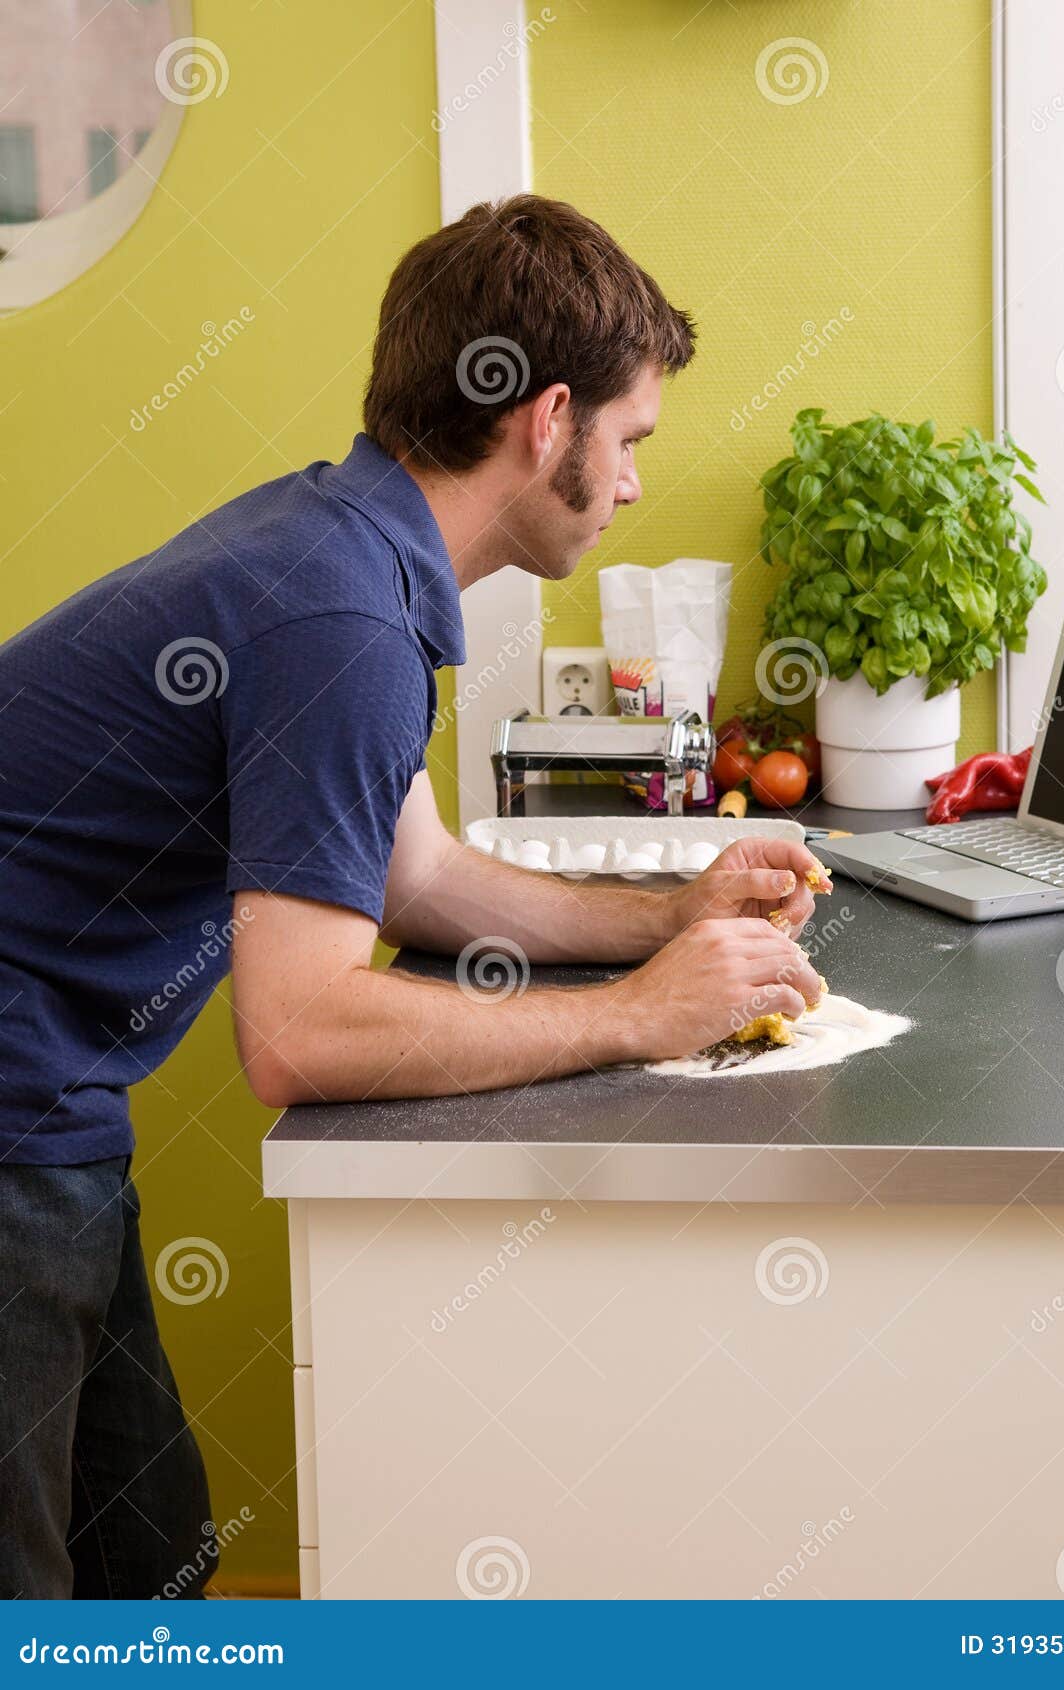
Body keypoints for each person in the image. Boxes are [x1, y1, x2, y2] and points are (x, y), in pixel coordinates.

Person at [0, 194, 826, 1599]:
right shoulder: (337, 616)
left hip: (47, 1092)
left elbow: (416, 874)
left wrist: (671, 917)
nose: (632, 484)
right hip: (18, 1107)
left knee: (146, 1561)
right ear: (547, 421)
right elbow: (299, 1033)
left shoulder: (340, 548)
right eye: (630, 439)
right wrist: (636, 1014)